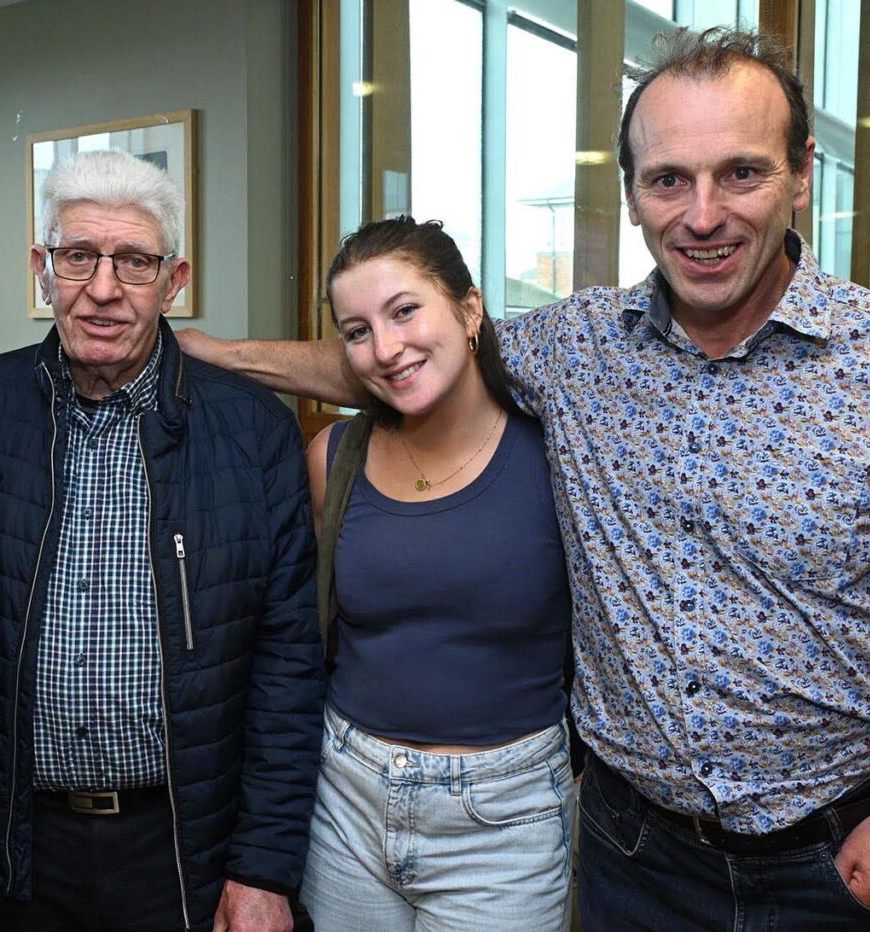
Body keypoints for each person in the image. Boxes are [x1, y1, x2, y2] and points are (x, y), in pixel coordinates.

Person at [176, 26, 870, 930]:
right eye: (668, 180)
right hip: (633, 862)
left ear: (801, 172)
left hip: (843, 862)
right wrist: (213, 353)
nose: (701, 214)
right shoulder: (577, 348)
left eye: (741, 172)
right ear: (635, 194)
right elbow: (402, 361)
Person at [0, 149, 325, 932]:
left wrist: (262, 867)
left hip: (184, 844)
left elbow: (289, 663)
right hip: (15, 842)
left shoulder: (254, 432)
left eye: (134, 262)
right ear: (42, 270)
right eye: (79, 256)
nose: (104, 289)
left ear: (174, 281)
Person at [298, 216, 576, 931]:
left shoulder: (557, 456)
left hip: (506, 819)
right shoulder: (335, 457)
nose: (385, 349)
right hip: (347, 799)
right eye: (357, 331)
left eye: (404, 311)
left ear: (470, 308)